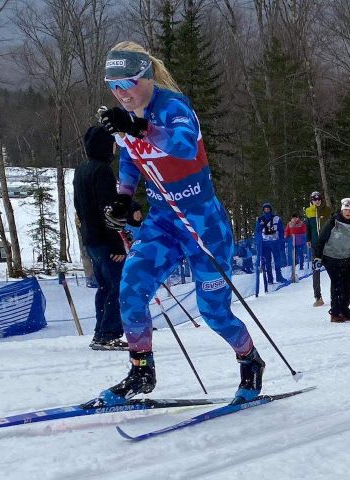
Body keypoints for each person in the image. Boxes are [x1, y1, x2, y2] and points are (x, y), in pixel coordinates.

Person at [93, 41, 263, 405]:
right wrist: (124, 197)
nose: (121, 93)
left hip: (204, 225)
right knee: (131, 290)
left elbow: (184, 147)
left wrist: (139, 127)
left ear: (147, 77)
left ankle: (249, 360)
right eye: (113, 85)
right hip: (164, 221)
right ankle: (142, 372)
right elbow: (129, 157)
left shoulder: (173, 107)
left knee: (214, 312)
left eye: (128, 83)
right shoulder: (127, 117)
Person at [73, 125, 129, 351]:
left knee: (105, 287)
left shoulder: (81, 170)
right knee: (115, 287)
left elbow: (80, 206)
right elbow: (108, 209)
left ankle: (102, 331)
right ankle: (108, 333)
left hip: (91, 238)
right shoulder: (102, 171)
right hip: (105, 240)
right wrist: (116, 242)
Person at [313, 198, 350, 323]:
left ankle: (345, 311)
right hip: (330, 257)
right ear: (342, 210)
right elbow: (321, 239)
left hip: (345, 257)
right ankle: (335, 313)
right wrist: (317, 257)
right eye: (345, 209)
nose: (348, 212)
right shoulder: (333, 222)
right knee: (337, 284)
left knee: (348, 285)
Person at [305, 191, 332, 306]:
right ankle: (318, 296)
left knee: (332, 268)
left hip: (328, 243)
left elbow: (332, 225)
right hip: (316, 245)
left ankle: (336, 293)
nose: (317, 201)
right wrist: (308, 239)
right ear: (311, 201)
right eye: (314, 199)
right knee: (316, 270)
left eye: (319, 199)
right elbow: (308, 227)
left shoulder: (327, 210)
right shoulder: (308, 211)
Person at [254, 202, 286, 284]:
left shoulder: (277, 218)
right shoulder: (260, 219)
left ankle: (279, 276)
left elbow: (281, 230)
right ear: (263, 210)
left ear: (271, 210)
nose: (267, 211)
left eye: (268, 209)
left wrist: (281, 240)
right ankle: (270, 279)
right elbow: (257, 232)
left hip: (275, 242)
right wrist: (258, 243)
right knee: (267, 261)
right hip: (265, 243)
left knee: (277, 260)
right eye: (265, 209)